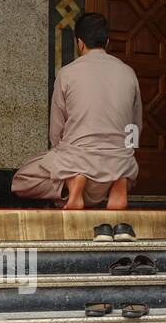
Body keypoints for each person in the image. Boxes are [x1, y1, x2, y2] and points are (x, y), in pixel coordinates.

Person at [12, 12, 142, 210]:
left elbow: (56, 131)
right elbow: (135, 126)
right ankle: (119, 184)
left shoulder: (67, 73)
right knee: (114, 169)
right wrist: (124, 153)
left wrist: (62, 156)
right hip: (121, 164)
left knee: (22, 179)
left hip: (75, 160)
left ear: (79, 43)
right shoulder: (128, 72)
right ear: (106, 42)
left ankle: (74, 183)